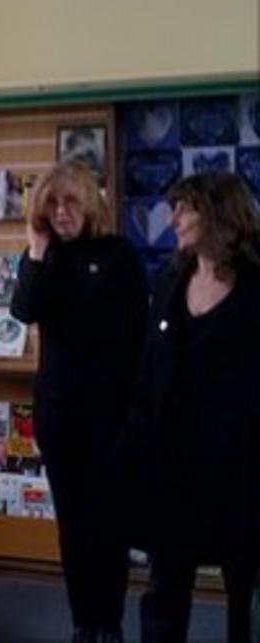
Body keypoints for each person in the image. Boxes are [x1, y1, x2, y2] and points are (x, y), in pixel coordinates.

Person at [9, 160, 147, 643]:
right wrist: (36, 247)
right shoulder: (44, 257)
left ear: (89, 203)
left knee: (108, 525)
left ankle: (108, 623)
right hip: (59, 413)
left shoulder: (119, 254)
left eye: (70, 201)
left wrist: (135, 415)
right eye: (52, 203)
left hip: (110, 415)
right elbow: (23, 309)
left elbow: (137, 339)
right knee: (72, 525)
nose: (61, 211)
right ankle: (82, 622)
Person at [127, 173, 260, 643]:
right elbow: (149, 368)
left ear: (220, 215)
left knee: (245, 591)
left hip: (241, 470)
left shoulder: (255, 285)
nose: (174, 218)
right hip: (174, 467)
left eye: (186, 208)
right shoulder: (170, 277)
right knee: (165, 589)